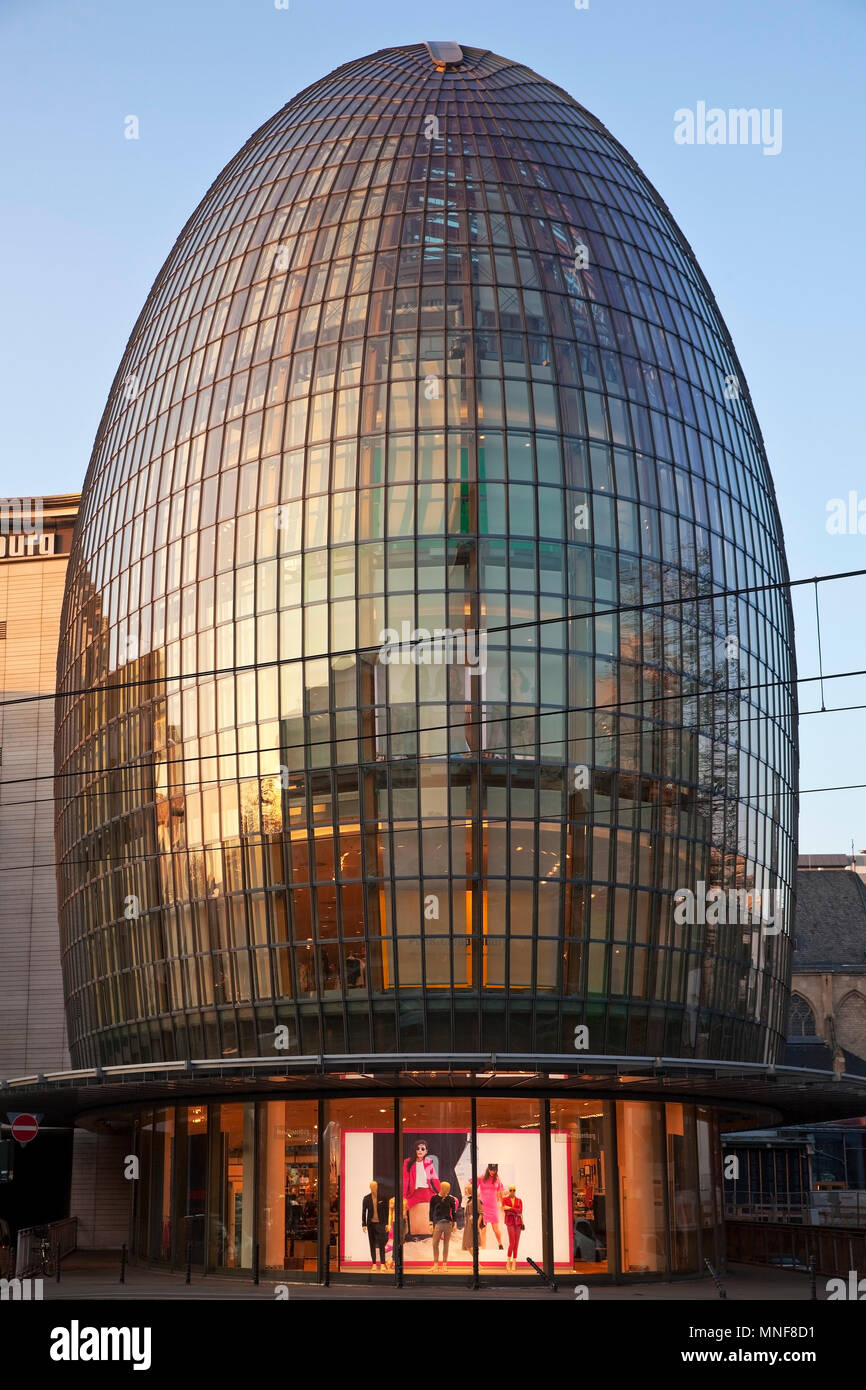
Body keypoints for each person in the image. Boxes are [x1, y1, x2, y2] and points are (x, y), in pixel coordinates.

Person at [402, 1138, 440, 1239]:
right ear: (415, 1150)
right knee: (407, 1212)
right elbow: (405, 1180)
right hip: (413, 1192)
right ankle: (408, 1235)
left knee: (430, 1212)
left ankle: (430, 1234)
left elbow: (434, 1177)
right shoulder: (408, 1162)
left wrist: (440, 1191)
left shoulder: (429, 1162)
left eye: (422, 1149)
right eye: (418, 1148)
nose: (420, 1151)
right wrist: (404, 1196)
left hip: (426, 1192)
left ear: (426, 1151)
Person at [428, 1181, 459, 1270]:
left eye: (449, 1188)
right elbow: (431, 1211)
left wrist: (455, 1223)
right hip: (438, 1223)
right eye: (447, 1188)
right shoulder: (434, 1198)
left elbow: (453, 1212)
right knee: (435, 1244)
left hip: (448, 1223)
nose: (448, 1190)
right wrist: (430, 1223)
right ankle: (436, 1264)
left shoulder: (451, 1199)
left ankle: (444, 1264)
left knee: (446, 1244)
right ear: (442, 1188)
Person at [478, 1162, 506, 1250]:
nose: (492, 1172)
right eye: (491, 1170)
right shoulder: (481, 1177)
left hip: (493, 1207)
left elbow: (500, 1193)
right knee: (483, 1230)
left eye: (494, 1170)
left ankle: (500, 1244)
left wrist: (502, 1204)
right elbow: (472, 1187)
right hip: (483, 1208)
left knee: (496, 1229)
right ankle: (483, 1249)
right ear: (488, 1169)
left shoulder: (497, 1179)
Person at [361, 1180, 388, 1269]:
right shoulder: (366, 1198)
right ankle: (374, 1263)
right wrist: (363, 1224)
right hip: (371, 1224)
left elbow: (386, 1211)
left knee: (381, 1244)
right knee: (372, 1243)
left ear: (377, 1187)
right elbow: (364, 1212)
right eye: (372, 1186)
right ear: (370, 1187)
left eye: (375, 1186)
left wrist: (387, 1223)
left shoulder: (382, 1197)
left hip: (380, 1224)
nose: (374, 1188)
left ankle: (383, 1263)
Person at [502, 1185, 524, 1271]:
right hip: (510, 1222)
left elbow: (520, 1211)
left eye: (514, 1190)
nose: (512, 1192)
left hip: (518, 1223)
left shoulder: (519, 1200)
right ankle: (508, 1262)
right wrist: (514, 1210)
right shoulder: (505, 1199)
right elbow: (505, 1210)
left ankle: (514, 1262)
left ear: (515, 1191)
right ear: (509, 1190)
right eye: (511, 1190)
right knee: (512, 1242)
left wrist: (510, 1208)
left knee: (516, 1243)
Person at [461, 1185, 486, 1252]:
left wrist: (477, 1224)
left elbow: (481, 1213)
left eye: (467, 1189)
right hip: (468, 1223)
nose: (466, 1191)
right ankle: (476, 1261)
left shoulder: (476, 1200)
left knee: (473, 1243)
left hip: (473, 1223)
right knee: (467, 1243)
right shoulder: (469, 1200)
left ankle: (477, 1261)